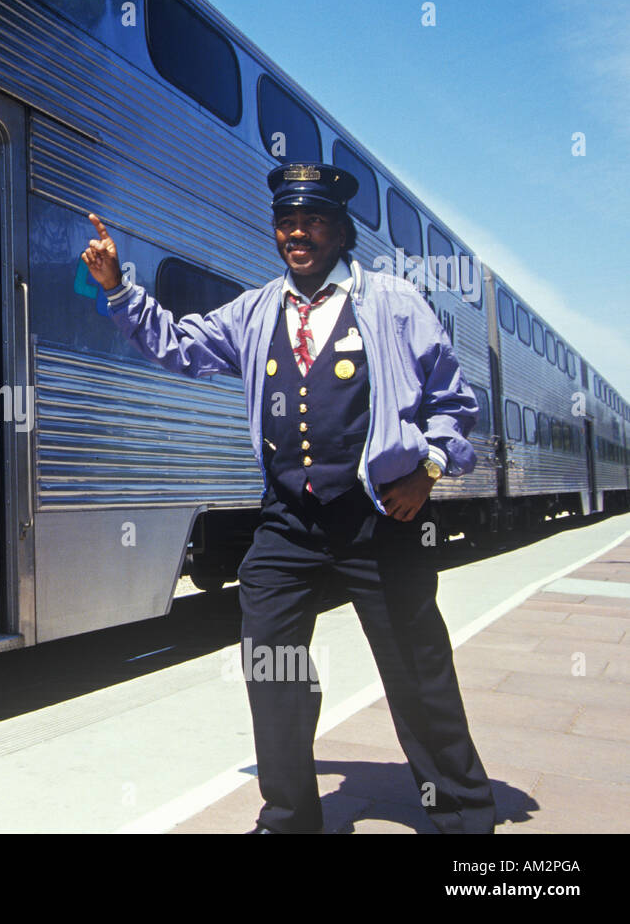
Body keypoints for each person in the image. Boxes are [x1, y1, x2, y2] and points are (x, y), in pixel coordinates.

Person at [80, 162, 496, 834]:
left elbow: (452, 398)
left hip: (380, 515)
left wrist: (431, 467)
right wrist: (118, 289)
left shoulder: (392, 301)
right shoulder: (256, 309)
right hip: (287, 522)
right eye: (286, 222)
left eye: (313, 221)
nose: (296, 233)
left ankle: (462, 815)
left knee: (416, 670)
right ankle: (289, 818)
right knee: (272, 666)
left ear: (339, 232)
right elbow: (180, 348)